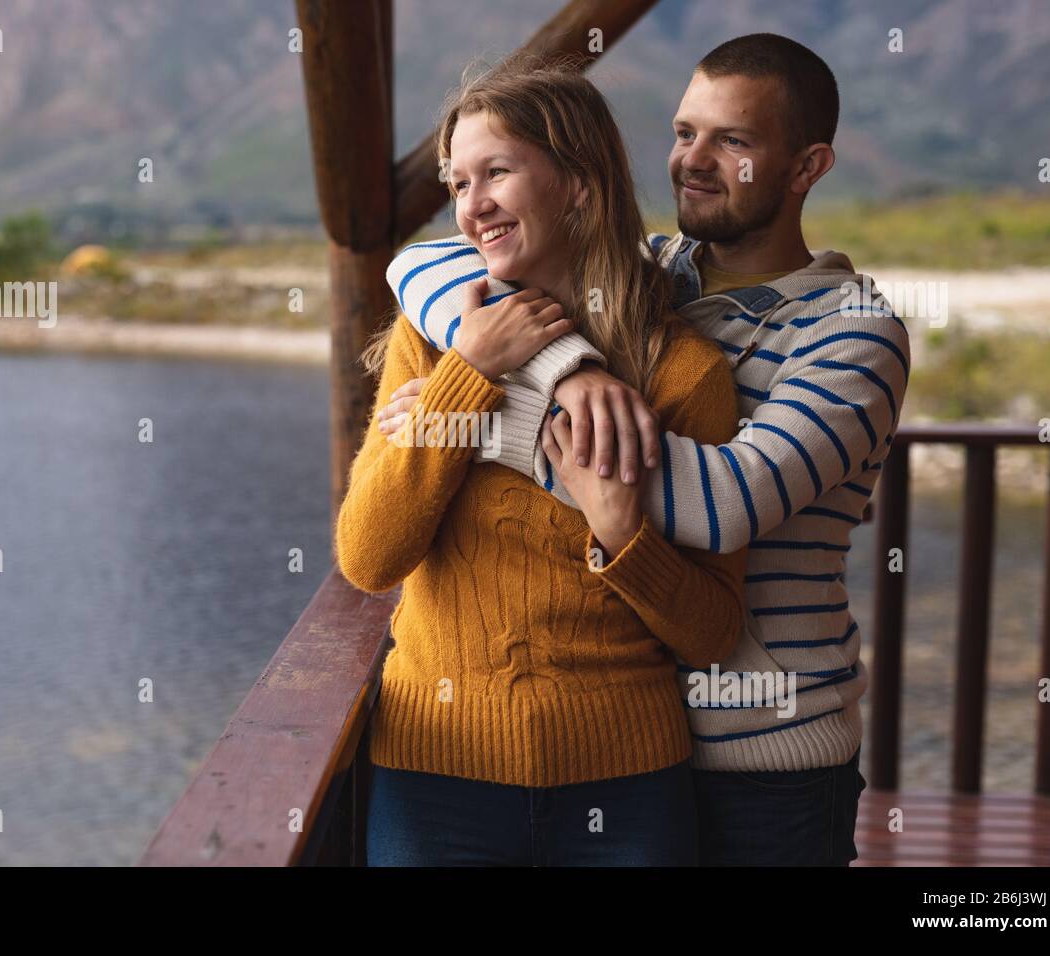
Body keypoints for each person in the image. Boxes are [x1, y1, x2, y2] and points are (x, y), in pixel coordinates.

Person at [382, 34, 911, 866]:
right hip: (638, 744)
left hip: (763, 758)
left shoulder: (854, 333)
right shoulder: (651, 276)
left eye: (732, 141)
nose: (692, 163)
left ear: (807, 167)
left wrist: (473, 419)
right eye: (683, 132)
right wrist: (564, 372)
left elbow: (727, 500)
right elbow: (424, 261)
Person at [334, 55, 748, 866]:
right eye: (457, 183)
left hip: (625, 785)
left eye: (497, 173)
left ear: (580, 184)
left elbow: (713, 632)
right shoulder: (435, 340)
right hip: (434, 776)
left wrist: (624, 538)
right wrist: (470, 375)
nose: (472, 206)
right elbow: (368, 558)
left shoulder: (683, 373)